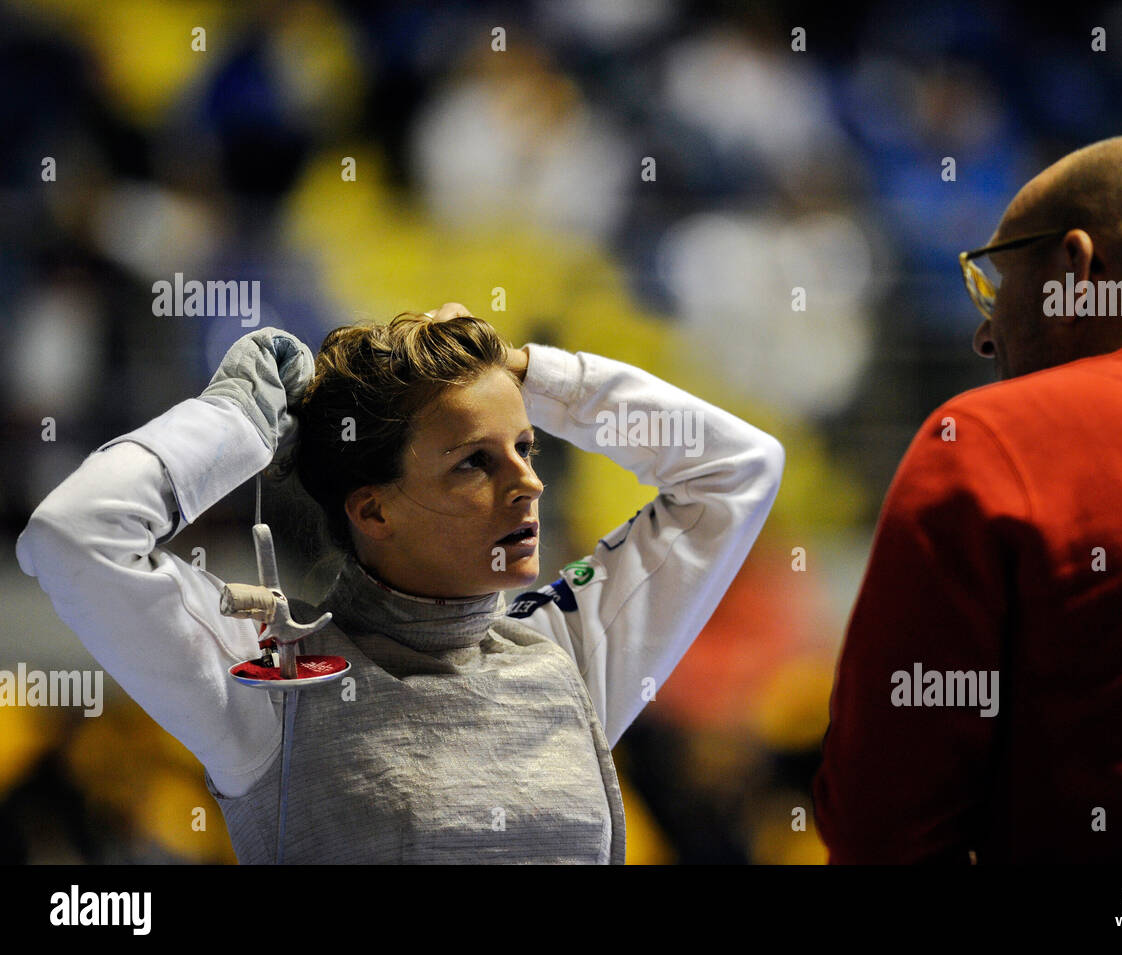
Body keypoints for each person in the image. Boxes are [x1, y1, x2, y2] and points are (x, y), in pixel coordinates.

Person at [17, 303, 784, 863]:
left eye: (526, 446)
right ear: (373, 508)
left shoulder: (562, 652)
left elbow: (736, 471)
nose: (528, 485)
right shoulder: (273, 684)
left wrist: (527, 373)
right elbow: (73, 535)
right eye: (473, 463)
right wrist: (234, 421)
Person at [814, 134, 1122, 863]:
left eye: (998, 285)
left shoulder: (987, 441)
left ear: (1075, 269)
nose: (985, 333)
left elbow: (881, 826)